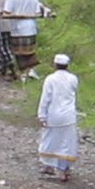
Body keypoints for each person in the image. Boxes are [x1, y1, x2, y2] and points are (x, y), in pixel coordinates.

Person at [36, 52, 78, 181]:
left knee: (50, 140)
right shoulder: (73, 78)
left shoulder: (50, 79)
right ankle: (64, 170)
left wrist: (42, 115)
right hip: (69, 116)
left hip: (53, 115)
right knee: (66, 143)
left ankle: (49, 165)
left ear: (55, 65)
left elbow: (45, 98)